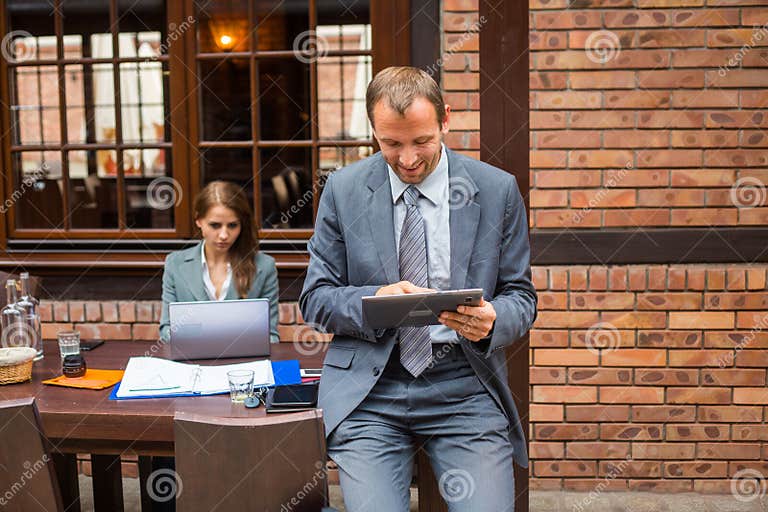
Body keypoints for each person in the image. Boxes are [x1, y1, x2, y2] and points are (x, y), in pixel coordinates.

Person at [300, 66, 537, 511]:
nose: (408, 158)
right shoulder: (343, 190)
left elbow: (521, 298)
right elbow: (315, 298)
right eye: (391, 143)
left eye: (421, 141)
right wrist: (372, 305)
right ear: (373, 130)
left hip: (464, 389)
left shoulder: (496, 190)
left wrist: (493, 321)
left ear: (446, 119)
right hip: (371, 393)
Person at [159, 180, 280, 343]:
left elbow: (271, 335)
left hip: (243, 363)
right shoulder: (175, 264)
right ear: (198, 220)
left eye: (232, 225)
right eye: (215, 225)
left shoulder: (264, 266)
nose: (224, 235)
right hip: (192, 363)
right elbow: (166, 330)